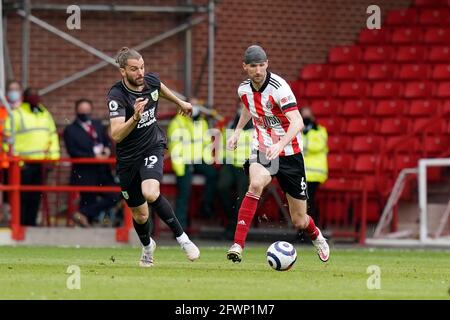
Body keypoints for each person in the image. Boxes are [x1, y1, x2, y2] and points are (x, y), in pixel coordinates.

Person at [225, 45, 330, 263]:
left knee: (299, 220)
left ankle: (317, 236)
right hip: (263, 148)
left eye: (262, 65)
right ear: (245, 67)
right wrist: (236, 132)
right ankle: (237, 245)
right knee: (255, 184)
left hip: (290, 154)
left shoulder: (279, 88)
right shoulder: (243, 89)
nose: (258, 70)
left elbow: (298, 121)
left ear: (267, 64)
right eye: (253, 66)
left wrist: (281, 144)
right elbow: (249, 107)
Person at [107, 47, 200, 267]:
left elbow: (160, 88)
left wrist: (180, 102)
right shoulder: (116, 96)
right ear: (122, 71)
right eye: (134, 69)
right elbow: (116, 134)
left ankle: (183, 239)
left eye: (142, 67)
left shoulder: (149, 80)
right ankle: (148, 246)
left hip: (152, 146)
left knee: (151, 192)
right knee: (140, 215)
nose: (140, 73)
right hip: (128, 158)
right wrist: (136, 118)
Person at [4, 87, 60, 226]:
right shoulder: (16, 115)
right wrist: (16, 161)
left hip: (41, 163)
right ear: (25, 98)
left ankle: (31, 224)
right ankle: (20, 224)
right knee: (22, 197)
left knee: (36, 196)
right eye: (31, 96)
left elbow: (52, 136)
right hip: (23, 164)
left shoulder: (45, 114)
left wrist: (53, 159)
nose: (34, 98)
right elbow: (7, 141)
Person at [63, 98, 120, 227]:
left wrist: (105, 151)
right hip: (85, 174)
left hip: (103, 172)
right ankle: (84, 226)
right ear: (76, 111)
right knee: (87, 200)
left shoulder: (98, 125)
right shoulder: (70, 130)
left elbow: (107, 142)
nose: (85, 113)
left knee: (116, 195)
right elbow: (73, 152)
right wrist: (94, 156)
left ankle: (82, 213)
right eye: (82, 111)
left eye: (87, 110)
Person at [167, 98, 217, 229]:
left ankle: (205, 204)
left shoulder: (201, 122)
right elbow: (174, 148)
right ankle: (179, 230)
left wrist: (208, 162)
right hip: (184, 163)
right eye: (191, 105)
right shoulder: (176, 123)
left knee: (213, 174)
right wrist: (180, 169)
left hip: (199, 160)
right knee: (183, 196)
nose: (194, 108)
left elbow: (206, 144)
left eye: (196, 105)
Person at [217, 101, 253, 240]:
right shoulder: (232, 123)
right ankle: (231, 217)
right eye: (240, 106)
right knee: (221, 188)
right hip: (230, 164)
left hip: (245, 166)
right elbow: (223, 143)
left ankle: (233, 229)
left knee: (241, 199)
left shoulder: (255, 126)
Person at [300, 106, 328, 225]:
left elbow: (318, 146)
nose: (306, 118)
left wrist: (306, 135)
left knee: (309, 201)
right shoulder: (297, 130)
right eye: (303, 115)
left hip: (315, 174)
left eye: (308, 115)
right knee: (301, 202)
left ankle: (309, 229)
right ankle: (303, 229)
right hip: (301, 173)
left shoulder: (320, 130)